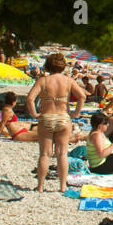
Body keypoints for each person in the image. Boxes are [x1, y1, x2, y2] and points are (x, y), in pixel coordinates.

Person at [26, 54, 86, 192]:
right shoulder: (68, 81)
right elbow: (82, 96)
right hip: (63, 117)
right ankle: (62, 186)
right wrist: (76, 113)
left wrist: (34, 114)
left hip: (46, 117)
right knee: (62, 153)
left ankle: (40, 186)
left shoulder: (43, 81)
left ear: (47, 66)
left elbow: (30, 99)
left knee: (45, 154)